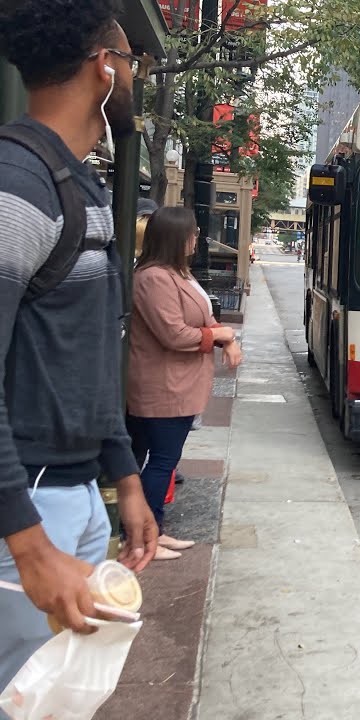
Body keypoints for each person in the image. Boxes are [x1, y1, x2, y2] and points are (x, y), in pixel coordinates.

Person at [0, 0, 159, 692]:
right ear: (104, 68)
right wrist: (29, 545)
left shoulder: (79, 183)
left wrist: (125, 479)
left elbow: (90, 351)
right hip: (28, 506)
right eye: (130, 61)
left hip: (74, 493)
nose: (133, 77)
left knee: (51, 698)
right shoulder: (19, 186)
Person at [127, 208, 242, 560]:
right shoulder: (153, 278)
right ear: (175, 238)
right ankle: (146, 537)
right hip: (162, 385)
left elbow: (205, 318)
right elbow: (174, 334)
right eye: (192, 233)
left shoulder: (176, 274)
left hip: (177, 383)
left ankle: (152, 532)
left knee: (157, 459)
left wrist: (226, 337)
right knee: (160, 461)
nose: (196, 239)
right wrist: (219, 334)